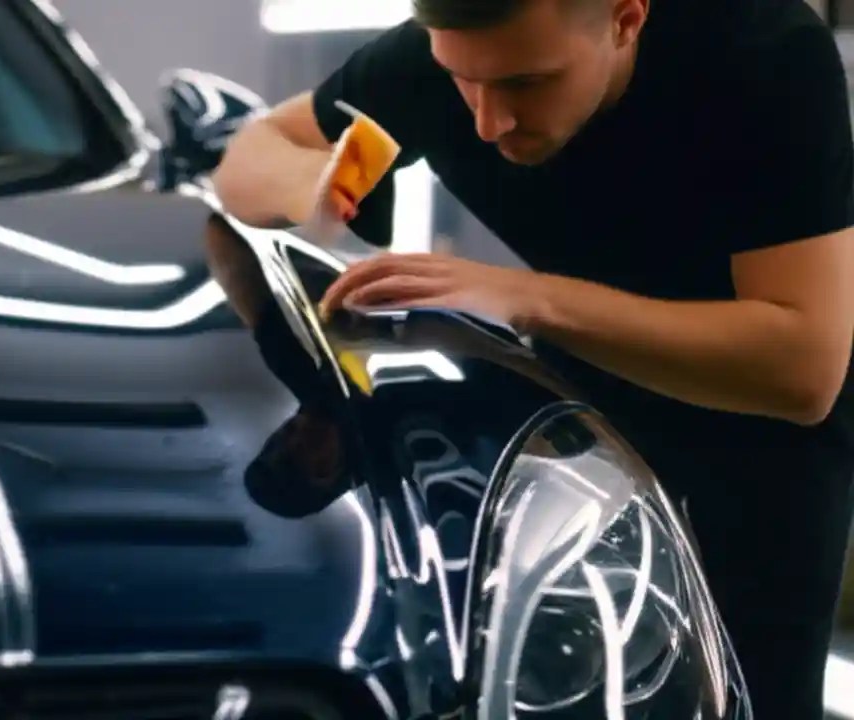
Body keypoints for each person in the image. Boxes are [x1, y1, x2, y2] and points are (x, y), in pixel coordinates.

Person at [211, 0, 854, 716]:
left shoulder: (763, 52)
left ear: (626, 18)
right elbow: (251, 154)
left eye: (526, 83)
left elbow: (802, 369)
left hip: (756, 441)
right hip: (579, 405)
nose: (489, 122)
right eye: (464, 81)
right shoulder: (436, 59)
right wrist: (330, 182)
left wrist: (525, 297)